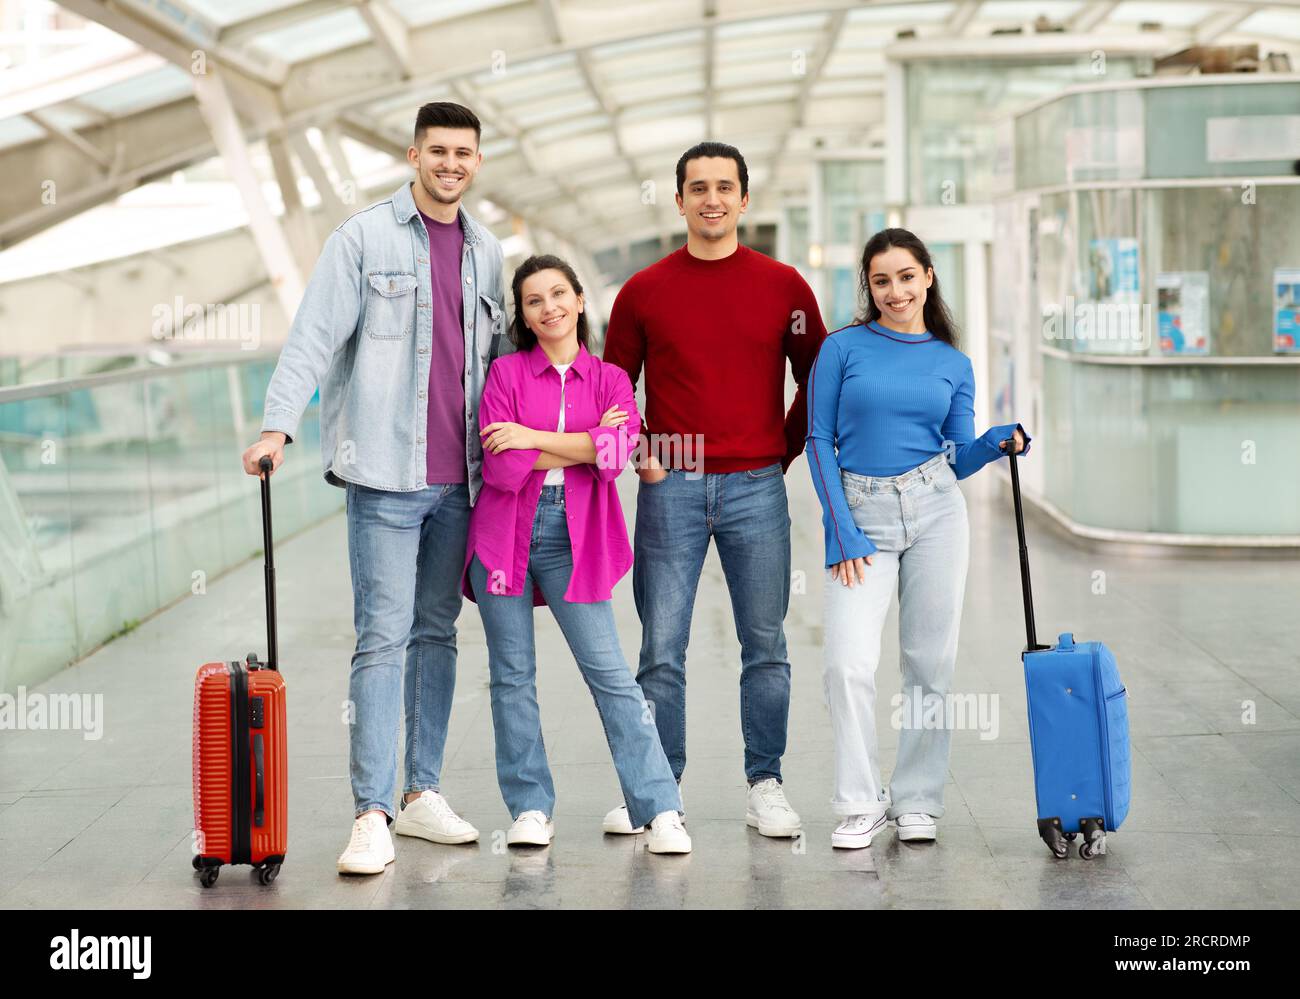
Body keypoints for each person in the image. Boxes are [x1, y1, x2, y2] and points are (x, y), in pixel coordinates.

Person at [241, 102, 512, 875]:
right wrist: (277, 427)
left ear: (477, 162)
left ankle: (422, 790)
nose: (451, 163)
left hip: (461, 480)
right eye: (438, 151)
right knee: (382, 637)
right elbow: (314, 336)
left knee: (437, 634)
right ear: (413, 154)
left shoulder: (489, 251)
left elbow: (499, 362)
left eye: (464, 152)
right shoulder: (362, 238)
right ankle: (372, 811)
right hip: (385, 478)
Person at [601, 142, 827, 838]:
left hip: (756, 486)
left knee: (765, 643)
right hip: (671, 487)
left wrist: (778, 452)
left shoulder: (785, 286)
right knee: (661, 648)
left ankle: (766, 785)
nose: (711, 198)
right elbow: (612, 389)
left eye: (724, 187)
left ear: (744, 199)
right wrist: (640, 449)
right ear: (678, 201)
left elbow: (818, 379)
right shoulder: (643, 291)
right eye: (697, 187)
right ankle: (656, 789)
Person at [806, 227, 1030, 849]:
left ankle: (918, 799)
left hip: (936, 512)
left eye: (906, 277)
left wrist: (992, 443)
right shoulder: (841, 349)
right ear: (868, 287)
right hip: (863, 513)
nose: (895, 291)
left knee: (930, 663)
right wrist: (841, 529)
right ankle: (859, 801)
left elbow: (956, 456)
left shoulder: (953, 364)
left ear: (928, 276)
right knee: (847, 664)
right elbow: (817, 441)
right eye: (881, 281)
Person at [464, 255, 690, 854]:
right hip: (504, 534)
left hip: (576, 535)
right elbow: (501, 466)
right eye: (534, 301)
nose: (549, 307)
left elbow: (617, 458)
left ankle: (660, 807)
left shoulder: (613, 380)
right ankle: (531, 807)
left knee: (612, 676)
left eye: (558, 294)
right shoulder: (507, 375)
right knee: (512, 677)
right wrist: (587, 444)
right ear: (526, 317)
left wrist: (536, 437)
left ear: (580, 299)